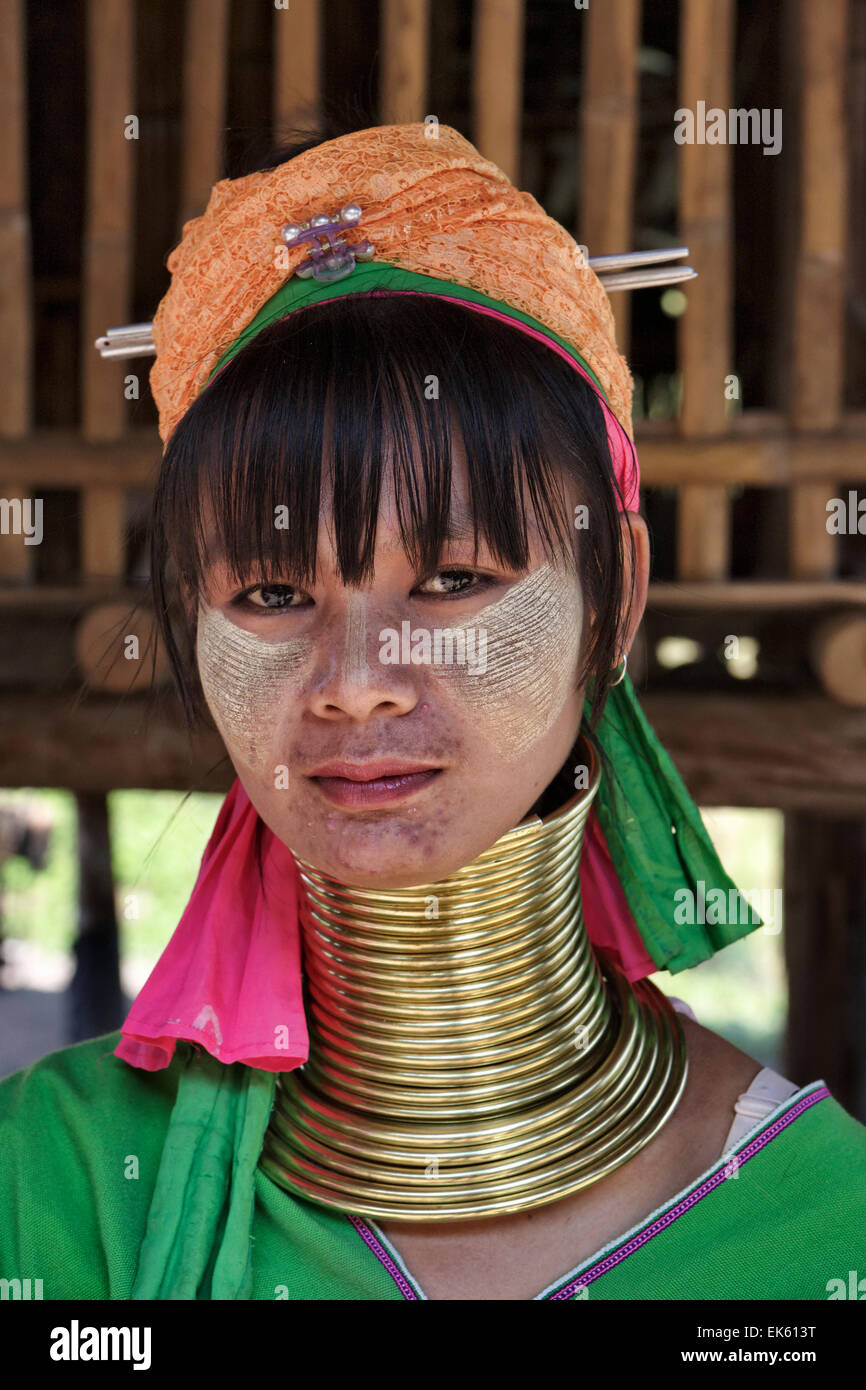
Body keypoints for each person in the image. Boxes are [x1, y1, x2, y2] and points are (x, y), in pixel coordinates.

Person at [2, 119, 865, 1302]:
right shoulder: (56, 1181)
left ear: (614, 599)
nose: (357, 676)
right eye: (270, 593)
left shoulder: (823, 1230)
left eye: (454, 579)